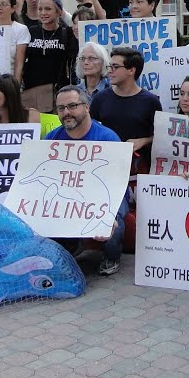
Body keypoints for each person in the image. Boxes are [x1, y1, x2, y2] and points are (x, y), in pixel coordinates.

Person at [46, 85, 127, 276]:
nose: (66, 112)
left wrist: (109, 213)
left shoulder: (108, 139)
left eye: (72, 106)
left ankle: (111, 256)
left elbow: (117, 185)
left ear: (87, 107)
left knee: (113, 225)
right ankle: (72, 248)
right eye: (61, 108)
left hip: (104, 198)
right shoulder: (51, 139)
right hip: (68, 201)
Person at [90, 46, 163, 175]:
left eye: (115, 67)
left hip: (139, 170)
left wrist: (144, 141)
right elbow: (90, 128)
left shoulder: (151, 101)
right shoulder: (100, 98)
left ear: (131, 70)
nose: (110, 71)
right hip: (104, 167)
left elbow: (162, 137)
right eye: (109, 66)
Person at [21, 0, 78, 113]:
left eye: (48, 9)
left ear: (58, 11)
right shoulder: (31, 31)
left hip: (56, 94)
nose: (43, 13)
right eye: (40, 9)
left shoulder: (67, 33)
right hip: (31, 93)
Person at [0, 0, 30, 79]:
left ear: (13, 8)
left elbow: (19, 63)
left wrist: (16, 86)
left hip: (8, 80)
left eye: (3, 4)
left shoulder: (21, 29)